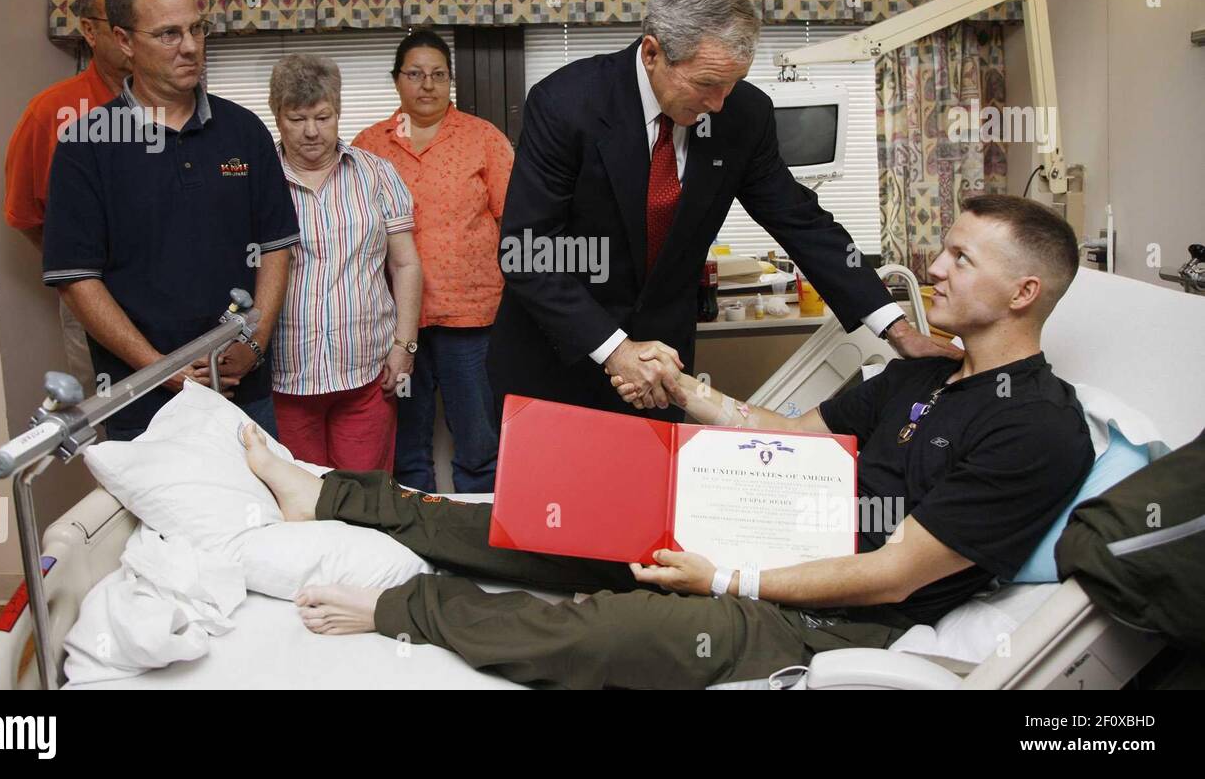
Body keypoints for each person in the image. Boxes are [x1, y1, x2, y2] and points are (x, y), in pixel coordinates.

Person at [238, 194, 1094, 689]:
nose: (933, 268)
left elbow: (899, 570)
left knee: (603, 634)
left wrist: (721, 578)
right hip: (759, 526)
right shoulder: (918, 371)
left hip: (828, 611)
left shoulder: (1038, 426)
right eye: (940, 250)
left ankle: (400, 610)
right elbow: (795, 439)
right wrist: (689, 392)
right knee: (531, 514)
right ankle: (328, 494)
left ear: (1023, 290)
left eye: (959, 257)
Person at [488, 0, 960, 424]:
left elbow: (800, 221)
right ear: (653, 53)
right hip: (555, 360)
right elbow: (528, 252)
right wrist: (616, 349)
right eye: (707, 84)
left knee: (652, 500)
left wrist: (896, 328)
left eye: (731, 84)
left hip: (661, 373)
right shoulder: (566, 104)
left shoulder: (743, 114)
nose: (718, 103)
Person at [42, 0, 299, 441]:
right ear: (123, 41)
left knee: (259, 511)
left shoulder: (243, 130)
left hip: (245, 389)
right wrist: (165, 371)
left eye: (196, 29)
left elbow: (275, 248)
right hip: (144, 402)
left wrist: (254, 345)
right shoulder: (86, 145)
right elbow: (77, 280)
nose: (190, 47)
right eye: (168, 34)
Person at [352, 30, 514, 492]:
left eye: (438, 75)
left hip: (473, 319)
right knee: (407, 445)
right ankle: (416, 541)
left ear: (451, 81)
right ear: (397, 80)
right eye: (415, 74)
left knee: (479, 442)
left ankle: (479, 546)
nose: (427, 85)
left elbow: (515, 225)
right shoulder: (369, 146)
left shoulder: (483, 139)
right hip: (399, 325)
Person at [268, 53, 422, 472]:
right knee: (301, 501)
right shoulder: (258, 180)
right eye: (298, 119)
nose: (312, 132)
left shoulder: (377, 175)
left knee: (364, 500)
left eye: (324, 116)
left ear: (338, 111)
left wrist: (404, 346)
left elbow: (405, 265)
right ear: (277, 116)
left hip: (367, 373)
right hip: (286, 375)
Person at [4, 0, 130, 392]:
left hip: (177, 295)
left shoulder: (177, 105)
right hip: (95, 301)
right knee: (111, 422)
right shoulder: (52, 111)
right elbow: (25, 213)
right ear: (90, 31)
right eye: (118, 23)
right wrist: (85, 272)